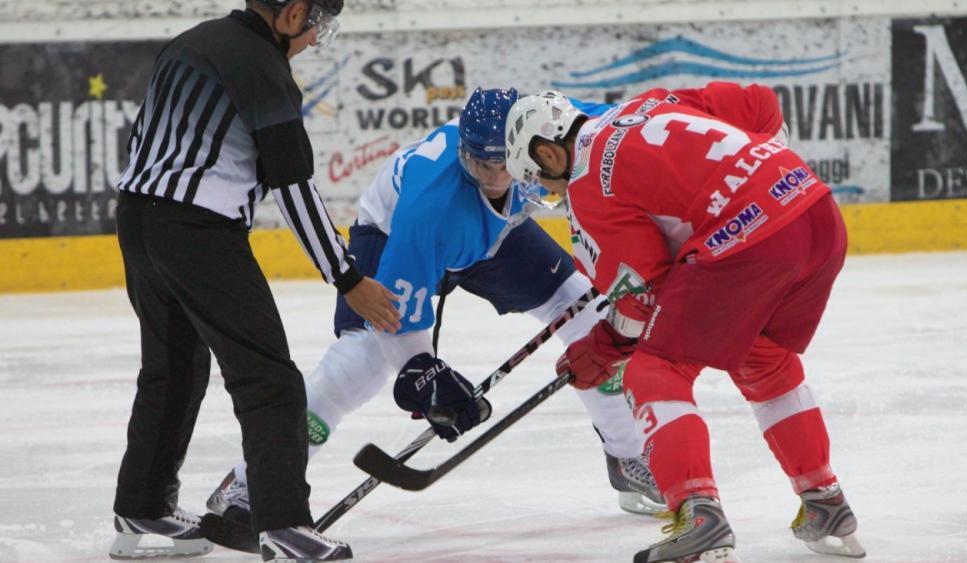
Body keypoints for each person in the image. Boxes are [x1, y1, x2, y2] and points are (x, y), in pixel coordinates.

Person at [206, 88, 666, 535]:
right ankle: (249, 484)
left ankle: (627, 456)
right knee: (360, 360)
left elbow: (621, 123)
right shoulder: (429, 206)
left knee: (589, 315)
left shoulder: (548, 122)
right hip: (391, 236)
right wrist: (425, 375)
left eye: (502, 163)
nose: (493, 176)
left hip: (496, 236)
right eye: (480, 163)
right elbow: (398, 321)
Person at [503, 83, 865, 562]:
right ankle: (824, 501)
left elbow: (643, 297)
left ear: (549, 152)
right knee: (764, 358)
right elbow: (761, 104)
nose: (550, 192)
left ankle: (699, 516)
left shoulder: (589, 186)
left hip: (748, 240)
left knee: (654, 372)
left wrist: (606, 347)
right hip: (813, 208)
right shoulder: (649, 103)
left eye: (542, 179)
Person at [109, 1, 400, 561]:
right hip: (197, 232)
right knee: (270, 381)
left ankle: (140, 505)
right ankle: (284, 526)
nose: (316, 40)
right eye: (317, 24)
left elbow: (143, 137)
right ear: (292, 14)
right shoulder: (265, 69)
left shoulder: (190, 41)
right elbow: (294, 190)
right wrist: (347, 276)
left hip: (137, 218)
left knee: (171, 370)